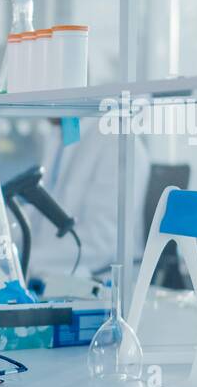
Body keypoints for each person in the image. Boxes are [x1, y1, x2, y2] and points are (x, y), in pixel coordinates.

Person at [28, 118, 151, 278]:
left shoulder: (117, 142)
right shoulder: (62, 137)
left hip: (100, 283)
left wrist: (28, 259)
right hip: (51, 273)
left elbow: (101, 242)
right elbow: (39, 221)